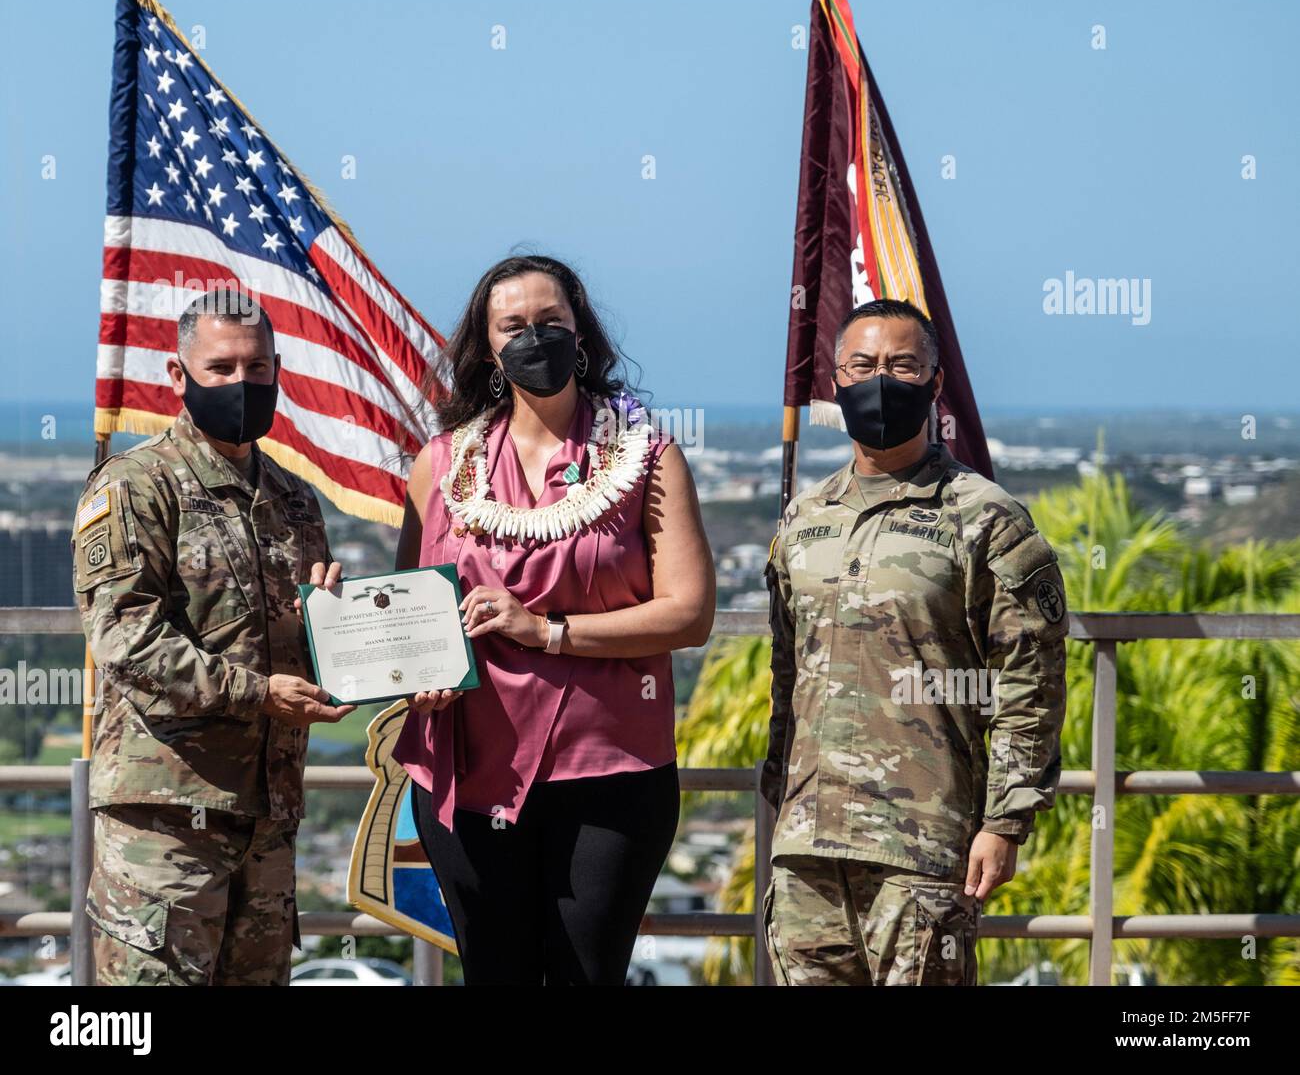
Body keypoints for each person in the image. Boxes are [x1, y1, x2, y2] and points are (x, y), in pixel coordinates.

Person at [393, 254, 715, 985]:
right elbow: (417, 611)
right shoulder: (440, 464)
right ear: (485, 347)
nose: (535, 339)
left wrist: (550, 632)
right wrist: (407, 668)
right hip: (471, 770)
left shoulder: (646, 457)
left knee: (586, 975)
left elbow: (690, 613)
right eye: (514, 326)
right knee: (493, 973)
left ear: (582, 334)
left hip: (608, 770)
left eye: (552, 323)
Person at [761, 298, 1068, 986]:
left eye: (902, 366)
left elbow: (1031, 683)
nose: (879, 380)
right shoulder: (806, 520)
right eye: (862, 365)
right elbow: (789, 676)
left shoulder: (986, 518)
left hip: (925, 843)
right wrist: (778, 798)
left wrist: (1005, 821)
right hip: (807, 842)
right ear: (835, 383)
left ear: (934, 384)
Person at [72, 291, 352, 986]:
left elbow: (302, 648)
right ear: (178, 376)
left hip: (268, 817)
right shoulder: (137, 486)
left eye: (257, 368)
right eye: (220, 367)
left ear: (278, 371)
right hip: (166, 824)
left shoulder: (293, 500)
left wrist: (350, 632)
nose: (240, 383)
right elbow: (125, 640)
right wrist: (258, 695)